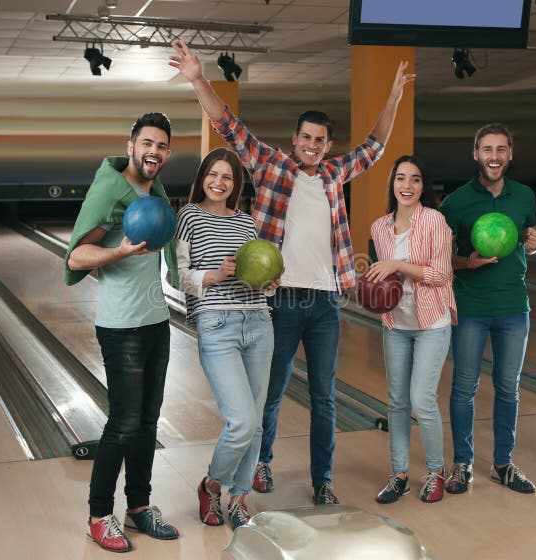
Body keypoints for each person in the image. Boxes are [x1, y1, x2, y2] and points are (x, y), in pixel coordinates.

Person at [169, 39, 415, 504]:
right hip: (276, 298)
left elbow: (377, 146)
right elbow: (228, 125)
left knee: (324, 396)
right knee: (271, 393)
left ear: (328, 145)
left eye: (320, 140)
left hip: (324, 301)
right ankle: (260, 463)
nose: (312, 145)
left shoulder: (334, 173)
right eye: (306, 138)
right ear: (295, 139)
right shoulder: (271, 165)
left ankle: (323, 479)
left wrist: (394, 99)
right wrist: (199, 79)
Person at [65, 113, 180, 552]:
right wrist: (119, 252)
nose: (154, 151)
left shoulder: (158, 191)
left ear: (168, 152)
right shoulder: (110, 190)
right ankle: (98, 515)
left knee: (148, 422)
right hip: (121, 328)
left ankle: (139, 506)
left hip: (157, 322)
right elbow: (76, 257)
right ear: (131, 144)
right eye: (147, 143)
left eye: (162, 146)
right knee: (124, 423)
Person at [439, 123, 536, 496]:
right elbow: (439, 257)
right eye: (487, 149)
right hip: (470, 306)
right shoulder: (455, 202)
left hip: (514, 306)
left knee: (508, 389)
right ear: (476, 154)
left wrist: (535, 244)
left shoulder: (525, 197)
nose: (494, 156)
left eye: (501, 149)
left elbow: (525, 245)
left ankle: (503, 463)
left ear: (510, 153)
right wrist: (467, 263)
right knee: (464, 388)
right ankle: (462, 463)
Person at [175, 147, 276, 529]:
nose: (219, 182)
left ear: (236, 185)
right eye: (213, 175)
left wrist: (269, 284)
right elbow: (178, 274)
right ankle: (211, 485)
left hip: (259, 322)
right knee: (242, 420)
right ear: (202, 177)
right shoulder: (188, 216)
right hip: (217, 325)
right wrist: (214, 276)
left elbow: (257, 280)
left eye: (228, 178)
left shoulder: (247, 224)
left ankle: (239, 497)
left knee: (257, 421)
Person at [366, 155, 456, 505]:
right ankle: (399, 474)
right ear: (393, 183)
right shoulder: (379, 227)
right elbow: (382, 277)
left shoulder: (435, 222)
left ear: (423, 186)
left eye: (415, 179)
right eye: (401, 178)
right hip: (396, 325)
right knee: (398, 402)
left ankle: (435, 471)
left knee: (422, 399)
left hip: (432, 322)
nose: (407, 185)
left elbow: (441, 275)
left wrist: (399, 264)